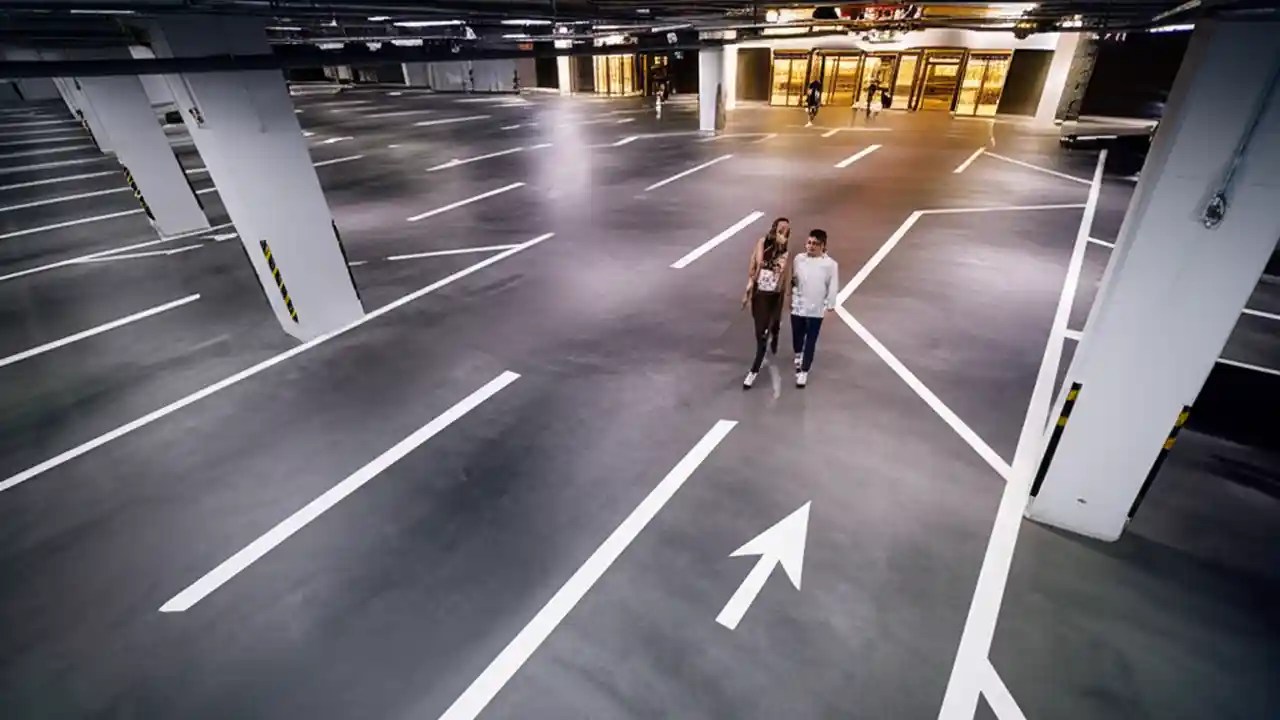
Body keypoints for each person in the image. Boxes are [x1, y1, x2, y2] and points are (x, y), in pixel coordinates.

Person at [741, 217, 792, 389]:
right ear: (774, 228)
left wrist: (780, 248)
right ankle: (769, 335)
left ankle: (753, 371)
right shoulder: (762, 242)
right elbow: (755, 265)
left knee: (769, 328)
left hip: (774, 295)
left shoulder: (784, 251)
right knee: (759, 329)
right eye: (781, 228)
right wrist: (748, 290)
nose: (784, 231)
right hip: (759, 293)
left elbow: (781, 271)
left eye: (787, 230)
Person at [790, 229, 839, 388]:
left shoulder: (830, 264)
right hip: (798, 305)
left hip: (815, 308)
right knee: (797, 335)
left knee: (811, 339)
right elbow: (793, 279)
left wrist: (830, 304)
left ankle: (804, 371)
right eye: (809, 243)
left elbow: (833, 285)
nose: (811, 246)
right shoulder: (798, 259)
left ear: (823, 246)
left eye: (815, 244)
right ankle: (798, 355)